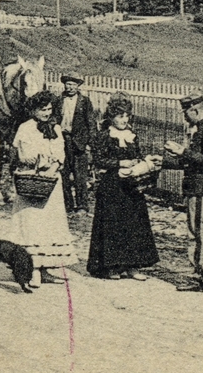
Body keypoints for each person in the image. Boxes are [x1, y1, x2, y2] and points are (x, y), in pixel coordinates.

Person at [86, 93, 160, 280]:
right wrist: (120, 163)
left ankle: (132, 266)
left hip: (131, 186)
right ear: (112, 117)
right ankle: (112, 266)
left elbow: (138, 154)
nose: (124, 120)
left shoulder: (132, 135)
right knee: (113, 225)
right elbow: (99, 160)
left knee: (133, 224)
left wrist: (141, 163)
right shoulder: (104, 135)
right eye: (120, 116)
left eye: (127, 116)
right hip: (111, 186)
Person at [10, 90, 76, 287]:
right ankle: (33, 269)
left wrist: (53, 167)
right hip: (31, 180)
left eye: (49, 109)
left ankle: (46, 267)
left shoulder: (55, 128)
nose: (47, 113)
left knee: (50, 225)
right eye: (42, 109)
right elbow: (23, 154)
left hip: (50, 182)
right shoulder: (25, 128)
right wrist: (37, 162)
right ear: (33, 110)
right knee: (32, 225)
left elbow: (60, 153)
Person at [164, 92, 203, 291]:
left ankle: (198, 276)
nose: (184, 117)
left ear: (195, 110)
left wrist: (183, 151)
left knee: (198, 232)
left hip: (200, 189)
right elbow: (193, 160)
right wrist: (164, 162)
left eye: (185, 113)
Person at [52, 72, 97, 213]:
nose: (70, 87)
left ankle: (82, 205)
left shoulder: (84, 101)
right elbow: (53, 119)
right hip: (63, 140)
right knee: (64, 174)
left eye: (73, 84)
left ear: (78, 86)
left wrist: (90, 143)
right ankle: (67, 205)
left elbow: (91, 123)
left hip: (79, 142)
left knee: (80, 176)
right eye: (68, 84)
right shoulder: (58, 100)